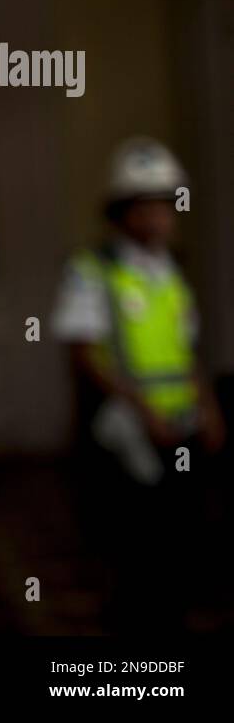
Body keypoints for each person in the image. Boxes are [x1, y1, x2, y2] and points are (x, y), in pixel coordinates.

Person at [52, 136, 225, 632]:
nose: (156, 219)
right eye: (144, 208)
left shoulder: (170, 272)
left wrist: (208, 405)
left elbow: (184, 348)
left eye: (164, 207)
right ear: (121, 211)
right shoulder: (92, 272)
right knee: (135, 551)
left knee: (183, 537)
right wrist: (140, 409)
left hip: (181, 427)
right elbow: (83, 356)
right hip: (127, 434)